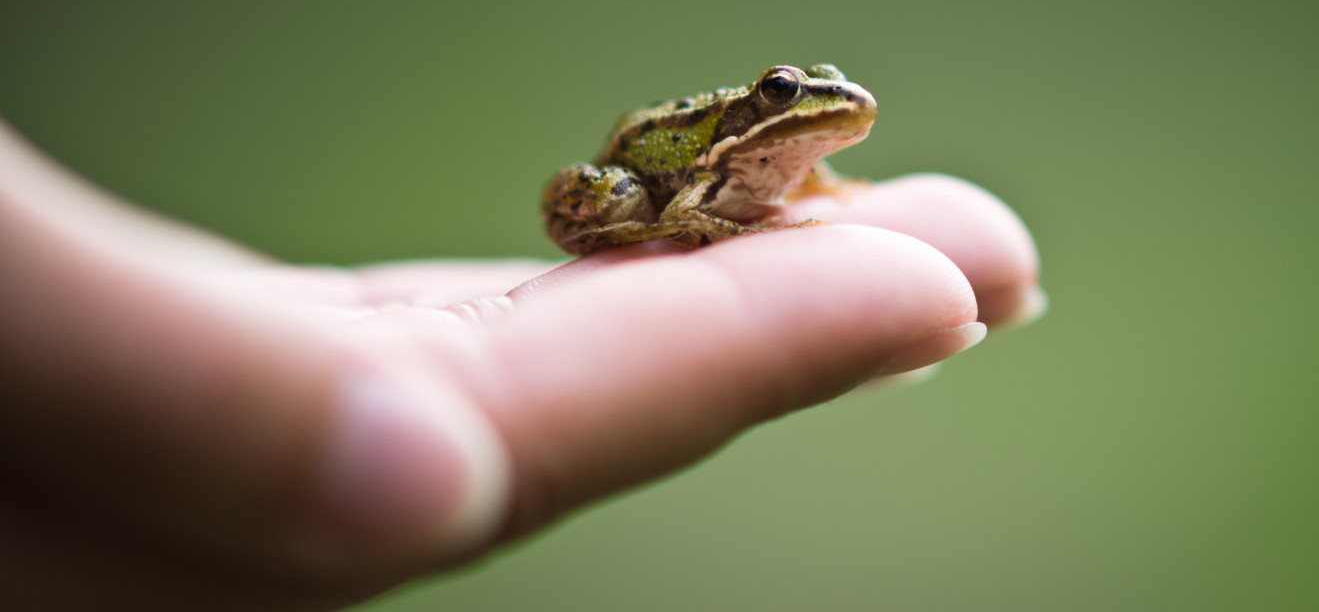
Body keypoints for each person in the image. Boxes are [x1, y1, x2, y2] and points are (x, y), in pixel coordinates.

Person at [0, 117, 1042, 609]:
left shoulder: (794, 154)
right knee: (639, 204)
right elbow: (682, 208)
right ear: (755, 109)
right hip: (634, 184)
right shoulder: (709, 147)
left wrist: (813, 195)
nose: (817, 103)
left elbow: (812, 188)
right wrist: (738, 229)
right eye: (790, 93)